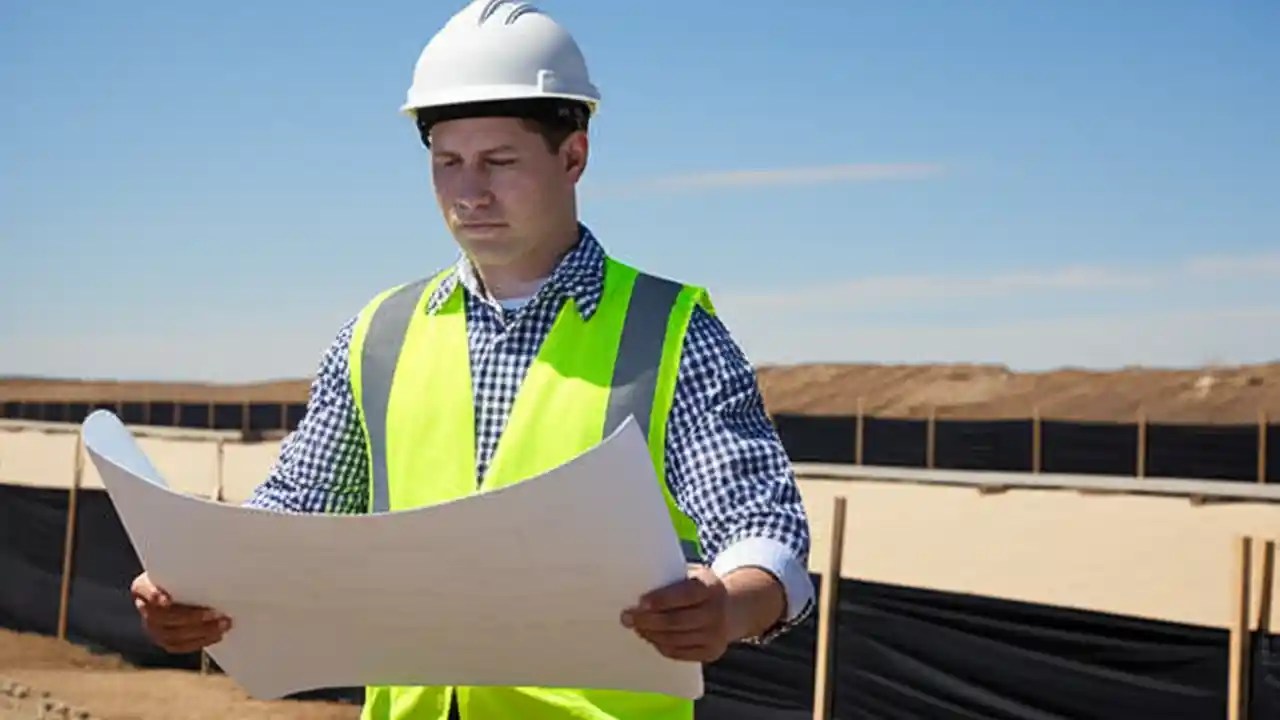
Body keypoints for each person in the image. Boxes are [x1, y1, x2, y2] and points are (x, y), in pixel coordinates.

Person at [129, 1, 813, 718]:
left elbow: (763, 528)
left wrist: (733, 605)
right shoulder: (378, 335)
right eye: (447, 163)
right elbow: (292, 511)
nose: (468, 193)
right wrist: (199, 587)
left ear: (573, 155)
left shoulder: (670, 331)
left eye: (499, 162)